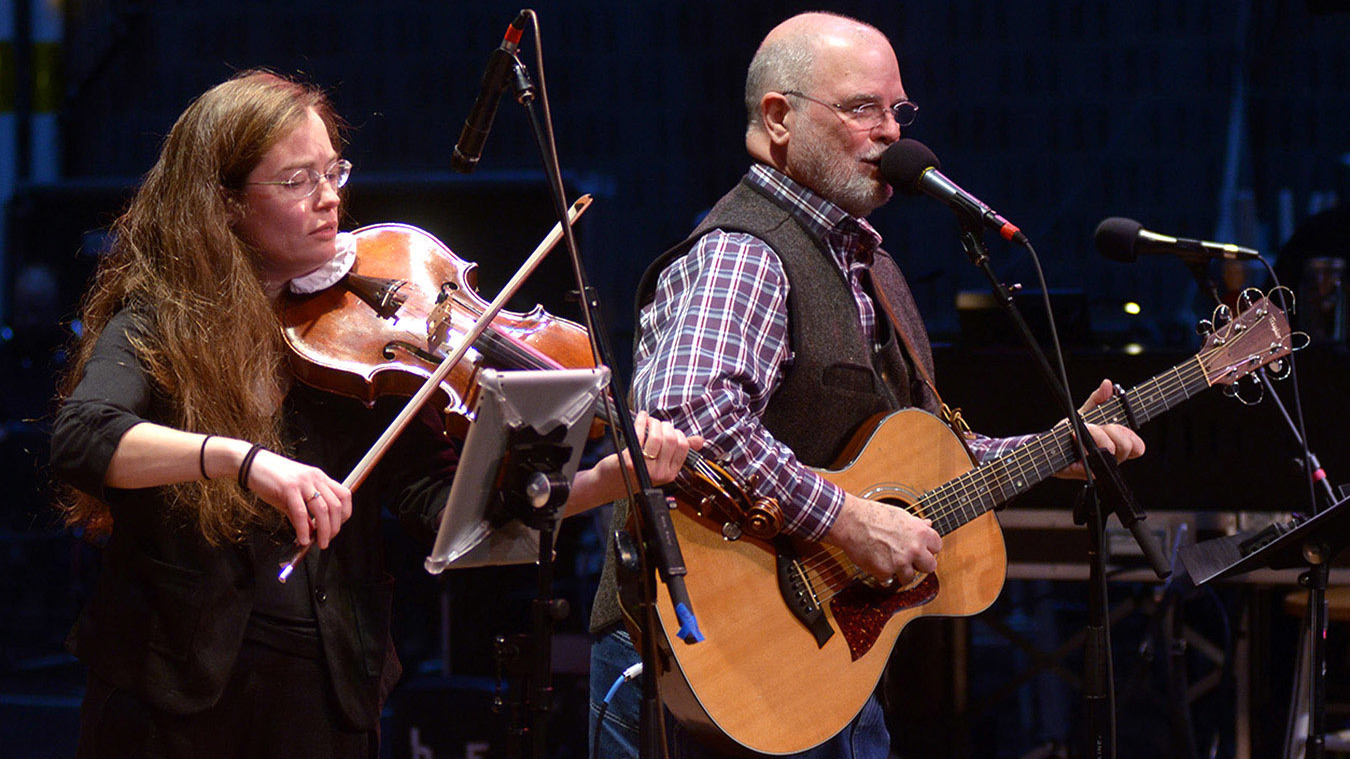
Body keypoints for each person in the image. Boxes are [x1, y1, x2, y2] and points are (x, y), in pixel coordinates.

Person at [49, 69, 695, 759]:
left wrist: (603, 480)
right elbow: (84, 437)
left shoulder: (357, 337)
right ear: (226, 203)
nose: (331, 198)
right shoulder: (158, 322)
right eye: (297, 181)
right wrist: (244, 459)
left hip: (324, 693)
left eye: (333, 170)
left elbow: (446, 507)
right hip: (170, 695)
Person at [587, 12, 1145, 759]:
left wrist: (1052, 449)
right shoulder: (744, 252)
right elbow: (688, 417)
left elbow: (913, 459)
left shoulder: (869, 267)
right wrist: (848, 522)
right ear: (779, 117)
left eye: (898, 110)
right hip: (711, 660)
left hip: (822, 672)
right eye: (863, 109)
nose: (893, 133)